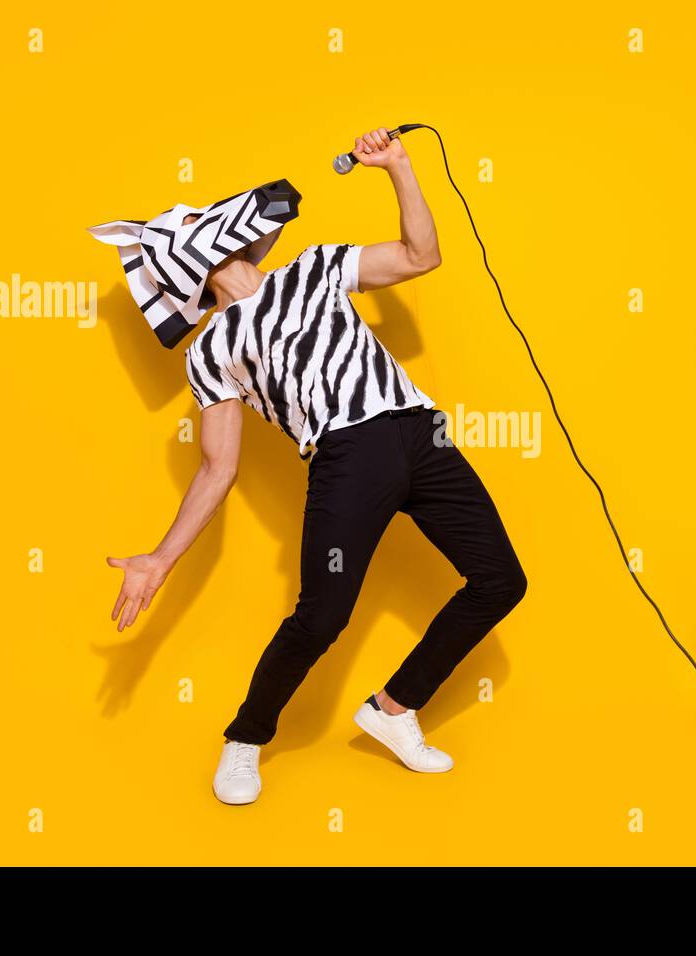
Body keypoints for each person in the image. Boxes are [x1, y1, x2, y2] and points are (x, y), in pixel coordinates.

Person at [104, 127, 527, 805]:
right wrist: (160, 557)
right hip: (347, 456)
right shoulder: (209, 352)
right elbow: (218, 469)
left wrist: (399, 168)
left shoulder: (315, 267)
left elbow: (423, 256)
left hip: (424, 435)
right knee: (322, 618)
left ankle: (392, 710)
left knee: (502, 581)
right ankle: (245, 739)